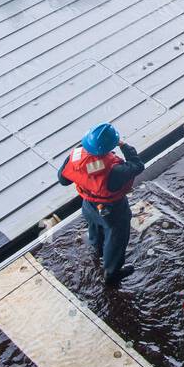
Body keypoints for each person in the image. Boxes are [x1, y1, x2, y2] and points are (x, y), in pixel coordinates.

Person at [56, 122, 145, 285]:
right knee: (116, 239)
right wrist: (124, 146)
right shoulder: (115, 170)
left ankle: (96, 248)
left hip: (88, 204)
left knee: (95, 228)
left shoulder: (76, 156)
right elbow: (138, 166)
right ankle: (112, 274)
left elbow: (63, 179)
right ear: (110, 146)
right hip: (113, 210)